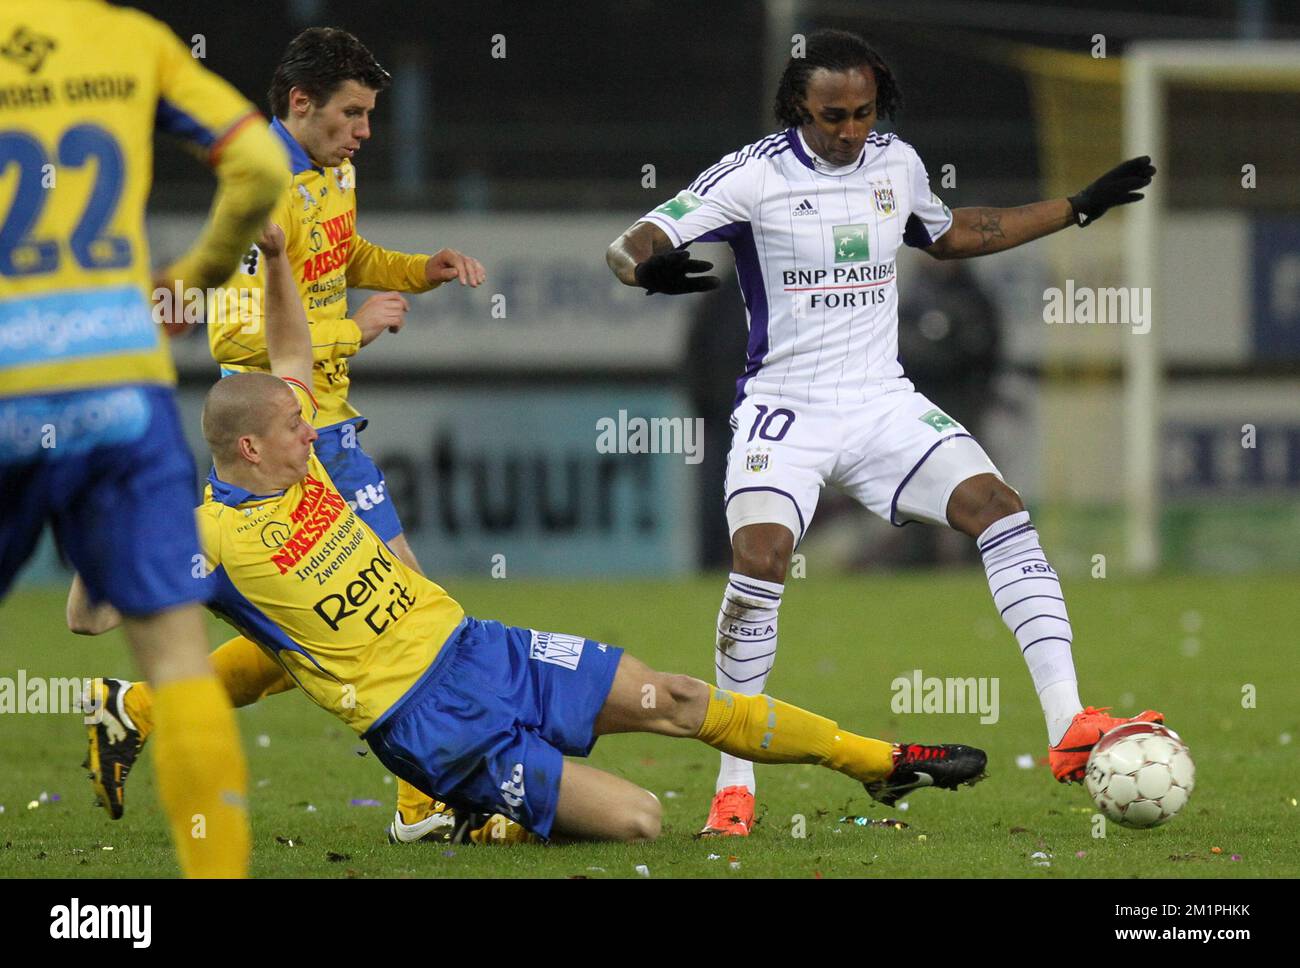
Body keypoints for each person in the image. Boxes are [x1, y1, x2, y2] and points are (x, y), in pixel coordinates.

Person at [68, 223, 988, 843]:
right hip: (428, 723)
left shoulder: (297, 451)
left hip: (481, 646)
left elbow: (294, 352)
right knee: (640, 822)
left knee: (675, 698)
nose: (319, 433)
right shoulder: (207, 537)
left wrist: (275, 257)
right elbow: (89, 618)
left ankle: (878, 761)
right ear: (247, 446)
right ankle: (473, 807)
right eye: (299, 429)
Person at [605, 28, 1163, 837]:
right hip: (784, 408)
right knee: (759, 560)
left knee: (999, 508)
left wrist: (1076, 208)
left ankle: (1068, 724)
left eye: (864, 113)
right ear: (801, 104)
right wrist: (643, 265)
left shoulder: (896, 164)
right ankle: (736, 785)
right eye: (834, 115)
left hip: (881, 403)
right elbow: (630, 243)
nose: (850, 130)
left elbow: (959, 233)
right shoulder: (753, 175)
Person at [83, 27, 485, 845]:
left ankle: (139, 708)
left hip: (324, 423)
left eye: (369, 115)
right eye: (351, 114)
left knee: (329, 624)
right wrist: (354, 334)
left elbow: (340, 258)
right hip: (284, 431)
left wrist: (415, 272)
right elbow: (235, 341)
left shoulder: (333, 170)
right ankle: (422, 803)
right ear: (299, 105)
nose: (365, 132)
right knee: (403, 609)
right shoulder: (258, 189)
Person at [0, 0, 290, 876]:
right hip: (118, 379)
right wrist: (196, 277)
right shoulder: (132, 41)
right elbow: (259, 161)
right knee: (173, 657)